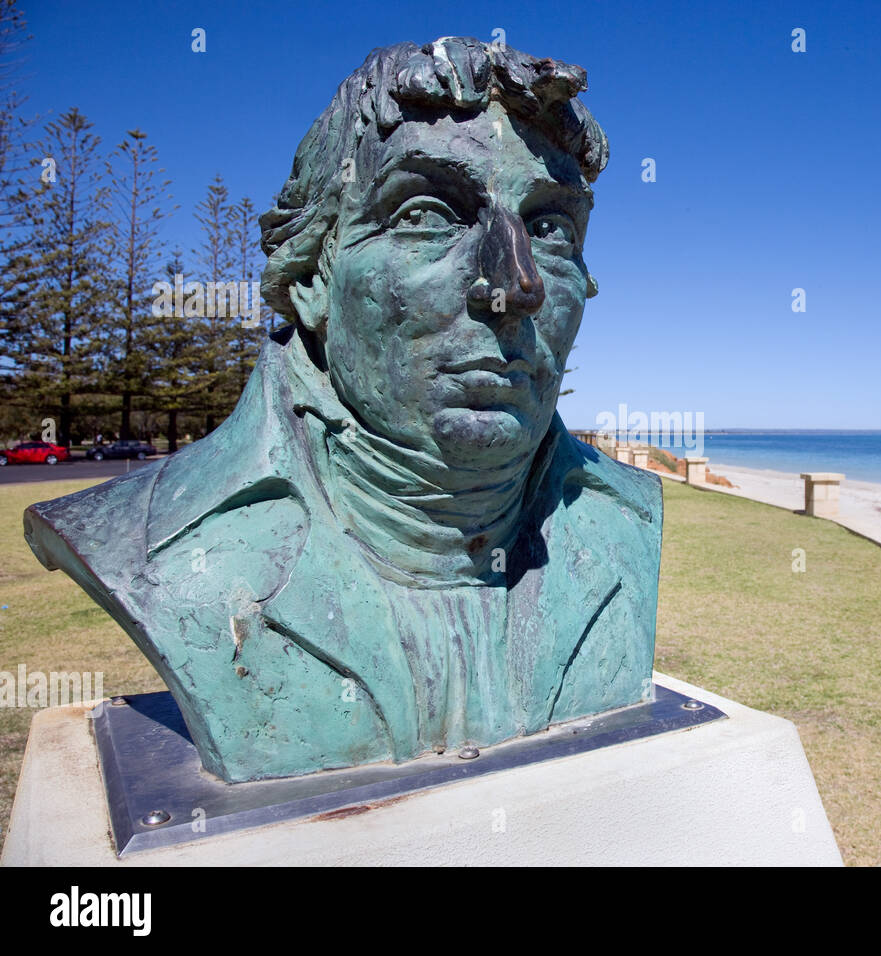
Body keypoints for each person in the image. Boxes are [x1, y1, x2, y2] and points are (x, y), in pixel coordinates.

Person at [23, 38, 661, 783]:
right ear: (312, 281)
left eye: (550, 229)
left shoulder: (628, 523)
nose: (511, 284)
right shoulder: (155, 546)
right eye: (427, 215)